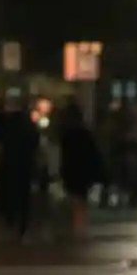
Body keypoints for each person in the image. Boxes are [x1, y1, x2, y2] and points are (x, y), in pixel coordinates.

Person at [0, 93, 41, 239]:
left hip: (9, 162)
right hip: (25, 163)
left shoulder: (5, 123)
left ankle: (10, 217)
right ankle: (22, 222)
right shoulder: (28, 124)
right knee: (23, 194)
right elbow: (35, 142)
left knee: (8, 191)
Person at [58, 99, 105, 239]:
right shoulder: (85, 134)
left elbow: (64, 155)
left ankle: (77, 225)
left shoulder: (66, 135)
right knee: (81, 199)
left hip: (71, 169)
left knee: (75, 199)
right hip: (83, 170)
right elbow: (93, 153)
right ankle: (80, 225)